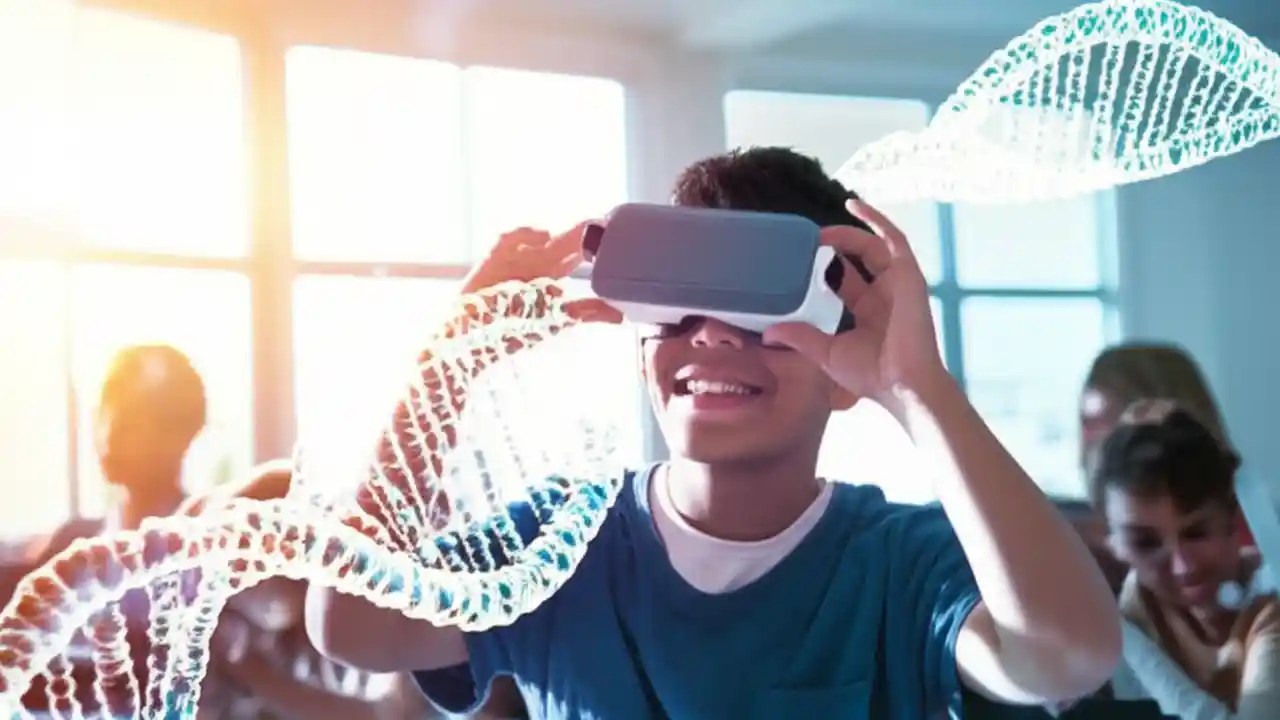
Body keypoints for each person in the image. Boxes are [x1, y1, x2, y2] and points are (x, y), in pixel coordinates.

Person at [306, 147, 1121, 718]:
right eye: (682, 304)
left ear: (846, 370)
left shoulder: (903, 565)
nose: (716, 336)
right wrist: (447, 364)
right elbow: (350, 622)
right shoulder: (556, 546)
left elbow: (1067, 656)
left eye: (766, 308)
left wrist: (919, 393)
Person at [188, 461, 526, 719]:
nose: (224, 596)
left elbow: (388, 716)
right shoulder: (287, 637)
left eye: (236, 574)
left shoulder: (380, 593)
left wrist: (249, 670)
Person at [1, 344, 207, 712]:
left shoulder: (209, 554)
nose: (109, 429)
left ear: (181, 434)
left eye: (132, 417)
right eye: (106, 410)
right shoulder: (68, 546)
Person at [1093, 400, 1280, 718]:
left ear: (1232, 520)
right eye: (1146, 543)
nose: (1182, 567)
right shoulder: (1127, 615)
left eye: (1196, 533)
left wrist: (1133, 647)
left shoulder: (1268, 603)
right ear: (1117, 545)